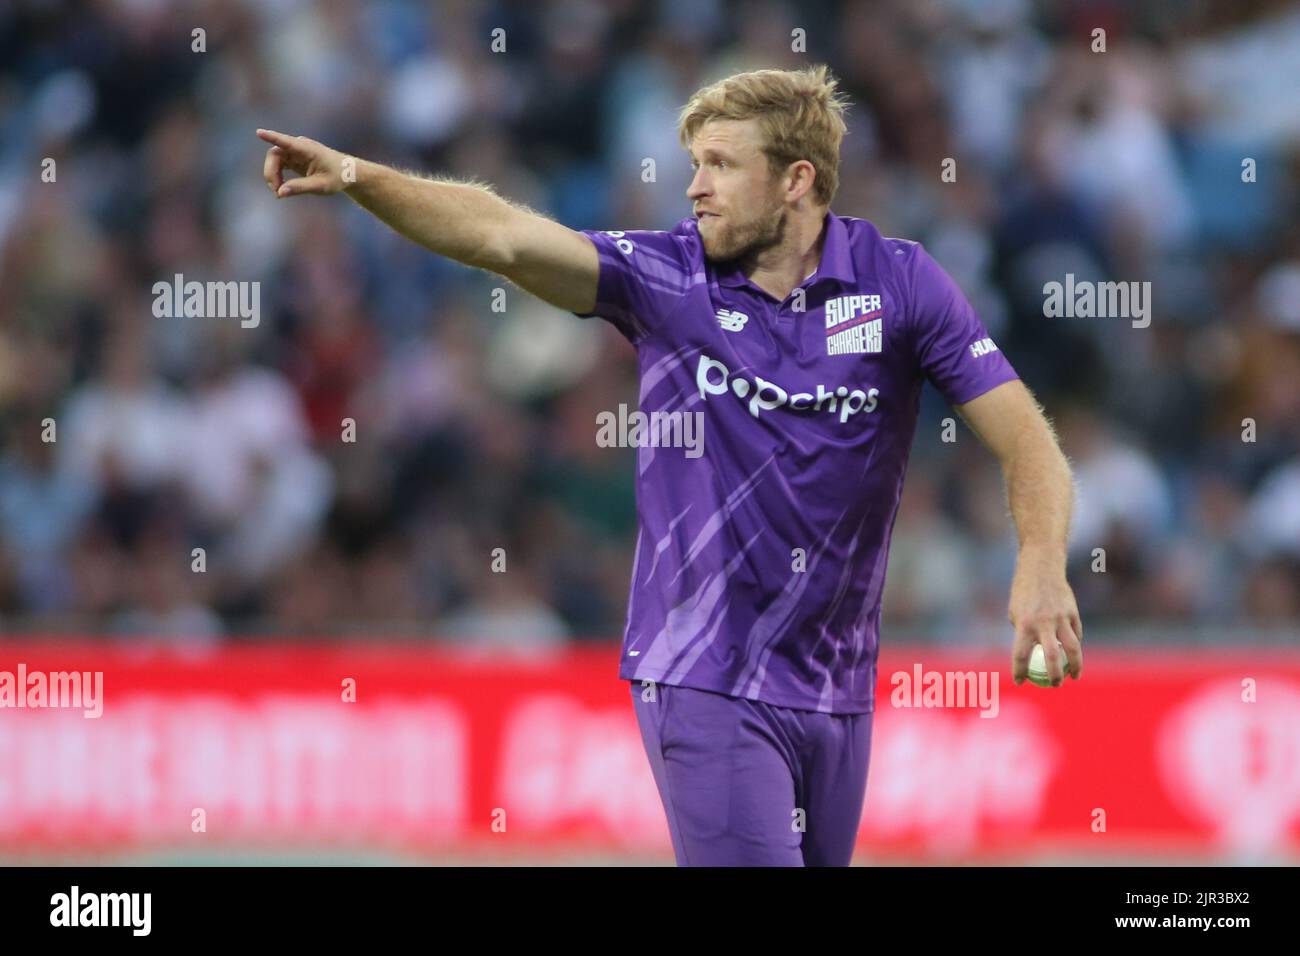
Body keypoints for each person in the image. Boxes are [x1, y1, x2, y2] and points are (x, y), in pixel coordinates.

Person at [256, 63, 1083, 866]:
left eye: (721, 166)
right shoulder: (665, 276)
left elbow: (1027, 440)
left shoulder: (901, 284)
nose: (695, 188)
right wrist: (361, 176)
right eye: (695, 165)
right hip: (703, 674)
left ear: (796, 180)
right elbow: (499, 234)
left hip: (837, 687)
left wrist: (1042, 565)